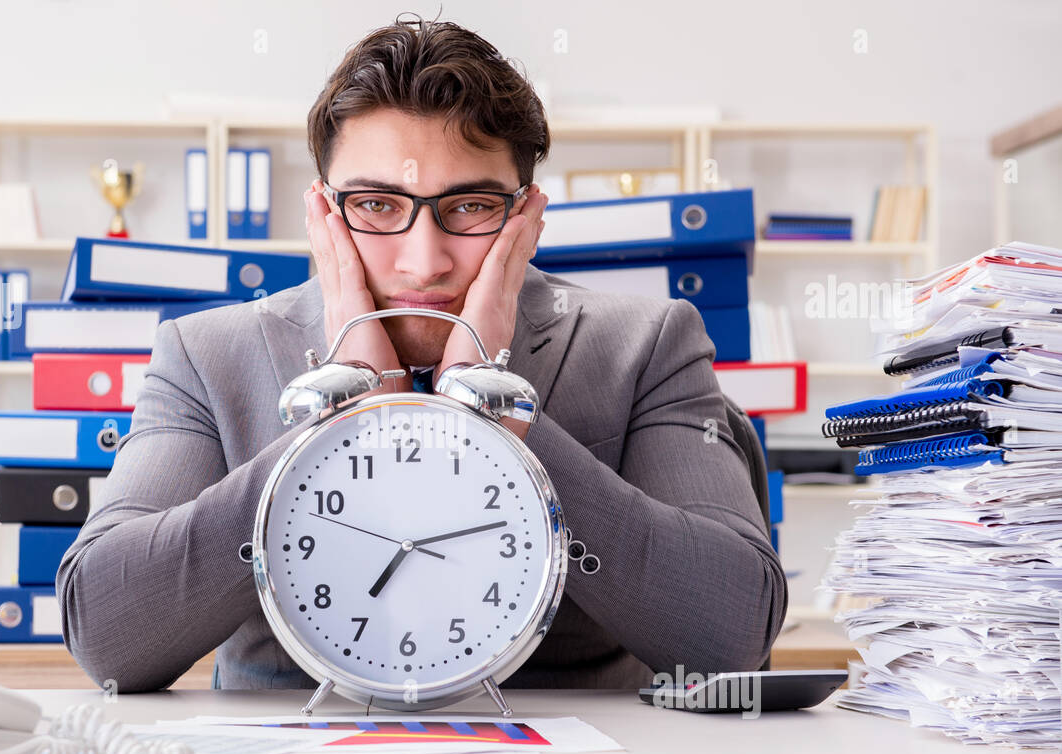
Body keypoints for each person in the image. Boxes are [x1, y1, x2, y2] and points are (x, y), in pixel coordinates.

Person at [56, 16, 787, 693]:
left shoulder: (646, 343)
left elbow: (727, 638)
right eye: (377, 205)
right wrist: (341, 416)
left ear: (527, 213)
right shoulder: (207, 355)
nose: (423, 261)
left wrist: (494, 406)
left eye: (469, 206)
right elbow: (109, 636)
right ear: (324, 212)